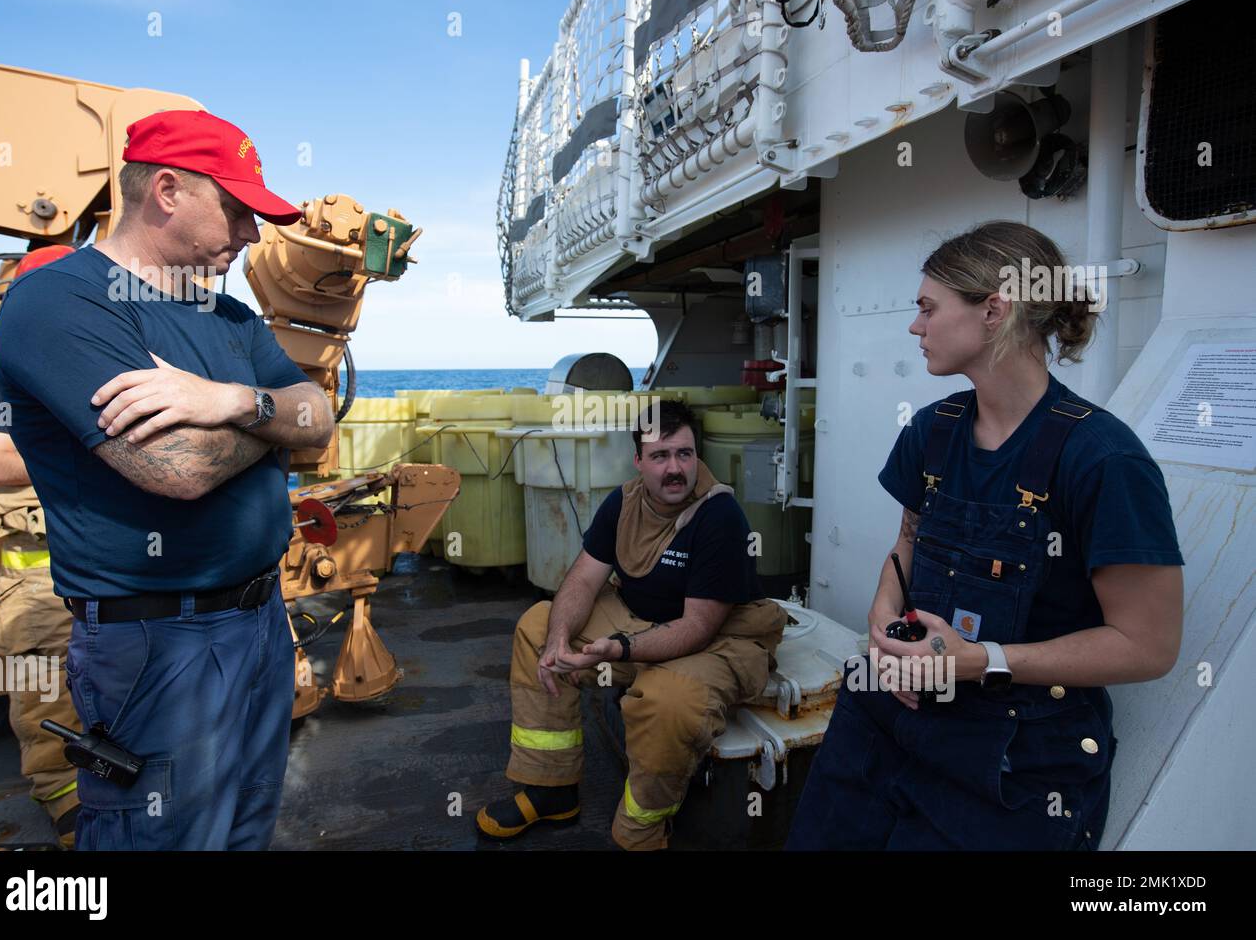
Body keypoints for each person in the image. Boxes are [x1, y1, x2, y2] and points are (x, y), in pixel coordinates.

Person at [0, 109, 334, 850]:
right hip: (159, 643)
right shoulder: (59, 303)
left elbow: (323, 418)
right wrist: (277, 427)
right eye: (239, 210)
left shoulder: (230, 316)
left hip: (258, 621)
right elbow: (176, 470)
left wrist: (233, 402)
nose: (251, 235)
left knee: (245, 828)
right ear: (170, 191)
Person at [786, 221, 1184, 850]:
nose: (914, 326)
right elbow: (907, 544)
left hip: (1014, 757)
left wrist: (982, 662)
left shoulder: (1103, 459)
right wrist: (884, 624)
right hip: (892, 719)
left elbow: (1147, 645)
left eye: (927, 308)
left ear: (993, 311)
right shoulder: (933, 430)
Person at [477, 398, 787, 850]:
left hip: (719, 637)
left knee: (669, 701)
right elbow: (583, 578)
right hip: (641, 622)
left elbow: (698, 626)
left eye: (684, 453)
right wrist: (560, 638)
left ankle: (640, 832)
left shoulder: (719, 515)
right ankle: (551, 788)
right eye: (660, 456)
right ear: (638, 460)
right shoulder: (623, 503)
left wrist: (620, 648)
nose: (675, 468)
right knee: (538, 626)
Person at [0, 356, 80, 847]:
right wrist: (97, 453)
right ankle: (67, 798)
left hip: (123, 567)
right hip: (40, 583)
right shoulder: (5, 382)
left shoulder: (103, 366)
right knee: (46, 696)